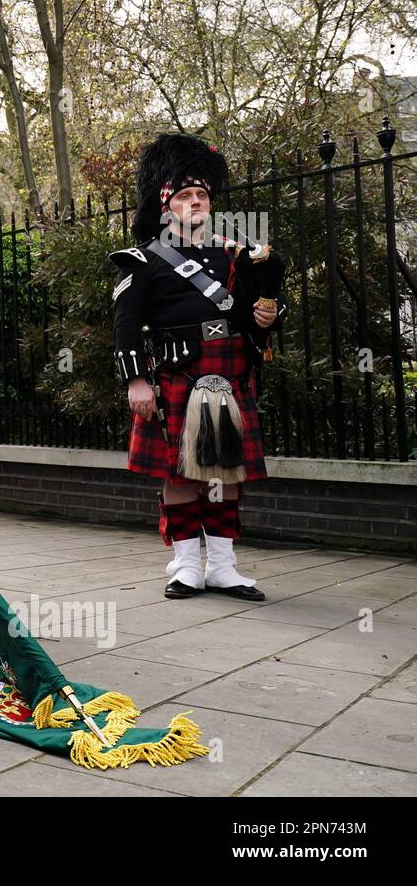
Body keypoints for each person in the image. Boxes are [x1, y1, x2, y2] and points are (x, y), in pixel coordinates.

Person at [113, 132, 286, 602]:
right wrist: (137, 381)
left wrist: (269, 317)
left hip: (229, 374)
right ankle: (187, 565)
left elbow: (257, 311)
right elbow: (127, 327)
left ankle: (224, 567)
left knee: (225, 473)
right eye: (185, 196)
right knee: (180, 474)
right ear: (167, 207)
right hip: (176, 374)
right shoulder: (143, 259)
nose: (195, 202)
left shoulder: (236, 254)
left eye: (202, 196)